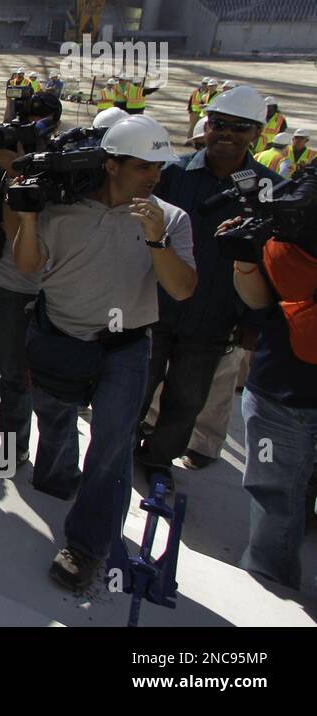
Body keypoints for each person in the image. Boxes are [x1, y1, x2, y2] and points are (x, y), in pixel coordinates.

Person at [11, 117, 196, 590]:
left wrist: (156, 239)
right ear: (110, 165)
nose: (153, 176)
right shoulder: (63, 210)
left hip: (125, 349)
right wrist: (30, 218)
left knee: (111, 446)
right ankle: (55, 487)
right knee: (53, 419)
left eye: (158, 167)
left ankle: (86, 544)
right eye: (141, 167)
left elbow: (182, 288)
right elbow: (29, 267)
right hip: (58, 338)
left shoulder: (170, 218)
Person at [135, 85, 281, 488]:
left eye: (240, 127)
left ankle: (159, 458)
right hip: (156, 307)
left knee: (187, 397)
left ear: (256, 133)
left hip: (215, 316)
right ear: (206, 125)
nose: (226, 134)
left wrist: (254, 319)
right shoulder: (171, 175)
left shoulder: (268, 189)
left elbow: (272, 259)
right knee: (137, 386)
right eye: (218, 124)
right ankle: (122, 447)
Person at [0, 93, 61, 469]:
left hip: (20, 290)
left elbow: (16, 229)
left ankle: (12, 445)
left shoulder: (46, 169)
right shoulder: (3, 164)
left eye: (37, 119)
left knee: (15, 374)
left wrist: (18, 174)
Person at [228, 178, 317, 590]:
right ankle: (272, 594)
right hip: (281, 391)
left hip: (280, 387)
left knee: (277, 497)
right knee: (275, 496)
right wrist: (245, 258)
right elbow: (259, 301)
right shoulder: (287, 216)